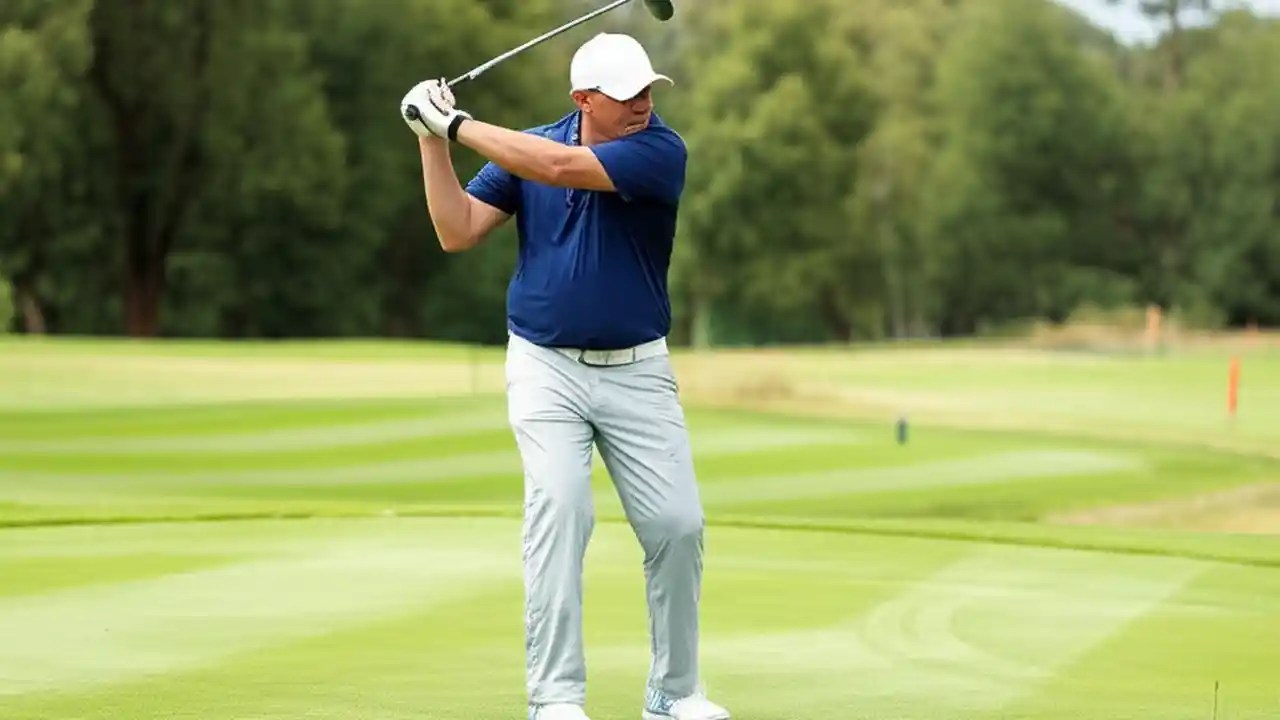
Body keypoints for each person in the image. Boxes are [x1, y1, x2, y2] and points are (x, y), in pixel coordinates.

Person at [399, 32, 730, 720]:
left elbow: (558, 166)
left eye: (646, 89)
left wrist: (455, 123)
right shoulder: (526, 148)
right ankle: (555, 701)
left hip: (638, 371)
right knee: (561, 511)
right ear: (583, 99)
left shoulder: (658, 150)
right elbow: (457, 230)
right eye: (624, 95)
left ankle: (673, 695)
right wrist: (430, 141)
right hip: (545, 368)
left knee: (678, 526)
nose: (642, 103)